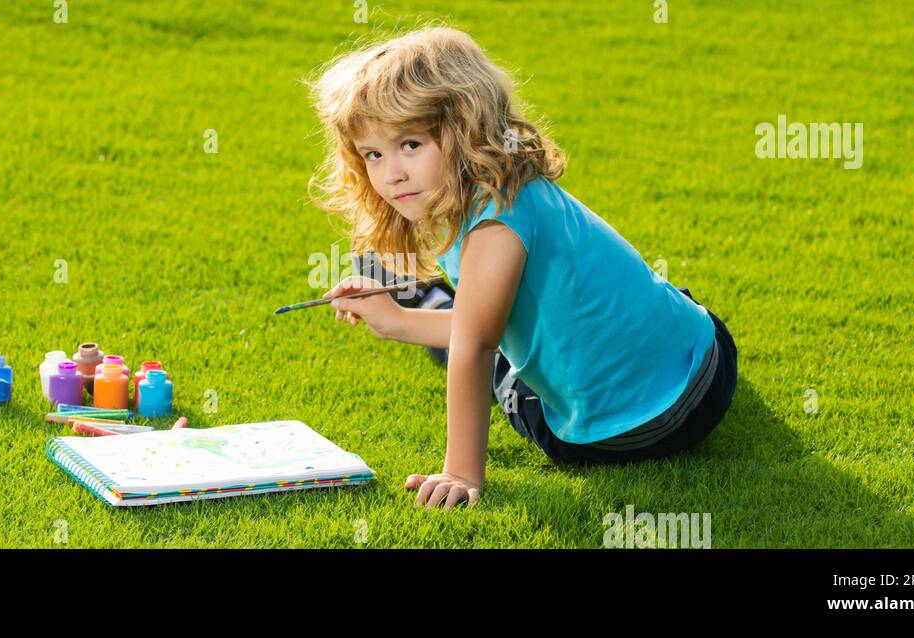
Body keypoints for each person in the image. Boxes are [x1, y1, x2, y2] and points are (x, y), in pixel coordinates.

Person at [306, 26, 737, 510]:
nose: (391, 173)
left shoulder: (493, 222)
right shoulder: (512, 184)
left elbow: (478, 343)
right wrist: (398, 324)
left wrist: (461, 472)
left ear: (464, 127)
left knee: (503, 368)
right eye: (373, 154)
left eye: (410, 144)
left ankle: (424, 297)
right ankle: (416, 303)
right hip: (705, 363)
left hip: (620, 434)